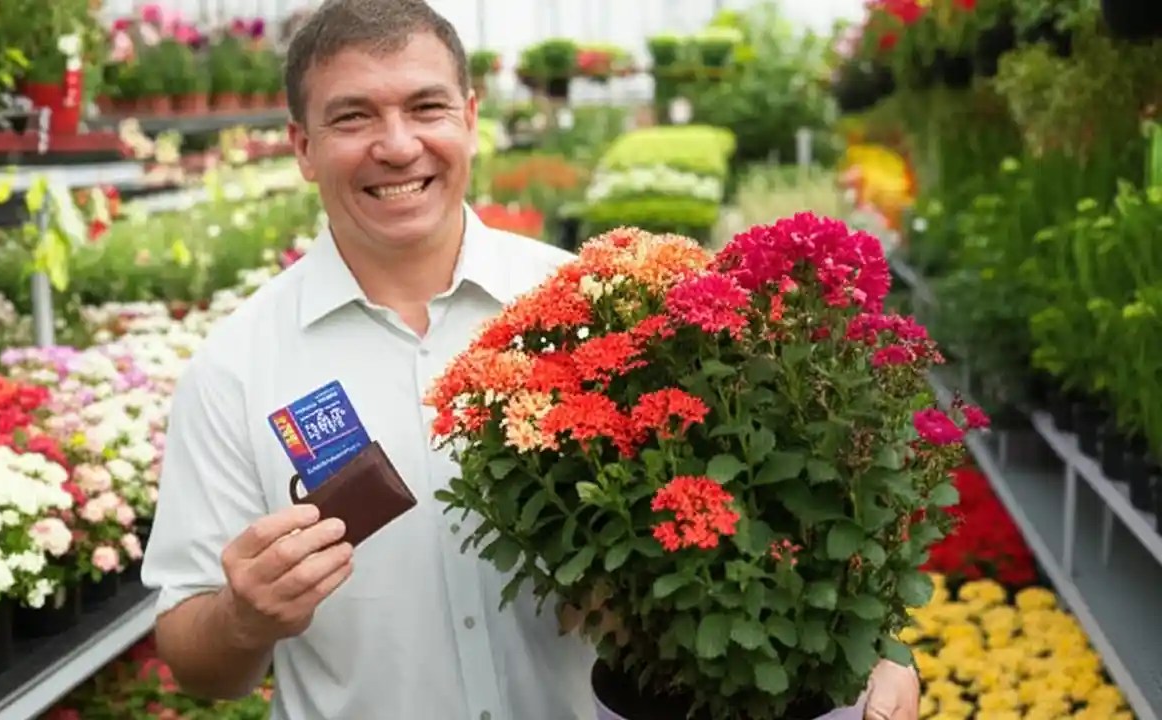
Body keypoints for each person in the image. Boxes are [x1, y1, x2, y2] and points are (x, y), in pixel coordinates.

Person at [138, 1, 922, 718]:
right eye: (352, 117)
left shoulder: (598, 301)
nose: (398, 144)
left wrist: (872, 649)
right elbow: (196, 659)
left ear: (471, 118)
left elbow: (774, 507)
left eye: (426, 106)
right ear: (303, 148)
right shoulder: (236, 367)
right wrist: (243, 618)